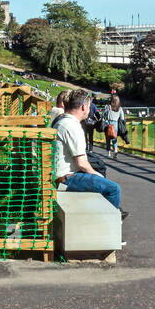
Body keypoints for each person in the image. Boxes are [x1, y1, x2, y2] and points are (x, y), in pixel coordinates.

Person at [53, 88, 126, 217]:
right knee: (113, 189)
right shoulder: (72, 126)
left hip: (60, 174)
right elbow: (81, 163)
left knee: (100, 181)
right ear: (83, 107)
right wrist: (98, 176)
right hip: (66, 178)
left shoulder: (62, 121)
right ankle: (109, 229)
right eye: (88, 105)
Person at [104, 94, 129, 158]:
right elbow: (122, 118)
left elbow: (104, 115)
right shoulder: (120, 108)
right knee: (114, 137)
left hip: (109, 123)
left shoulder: (108, 106)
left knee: (108, 139)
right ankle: (115, 150)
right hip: (115, 124)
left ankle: (108, 153)